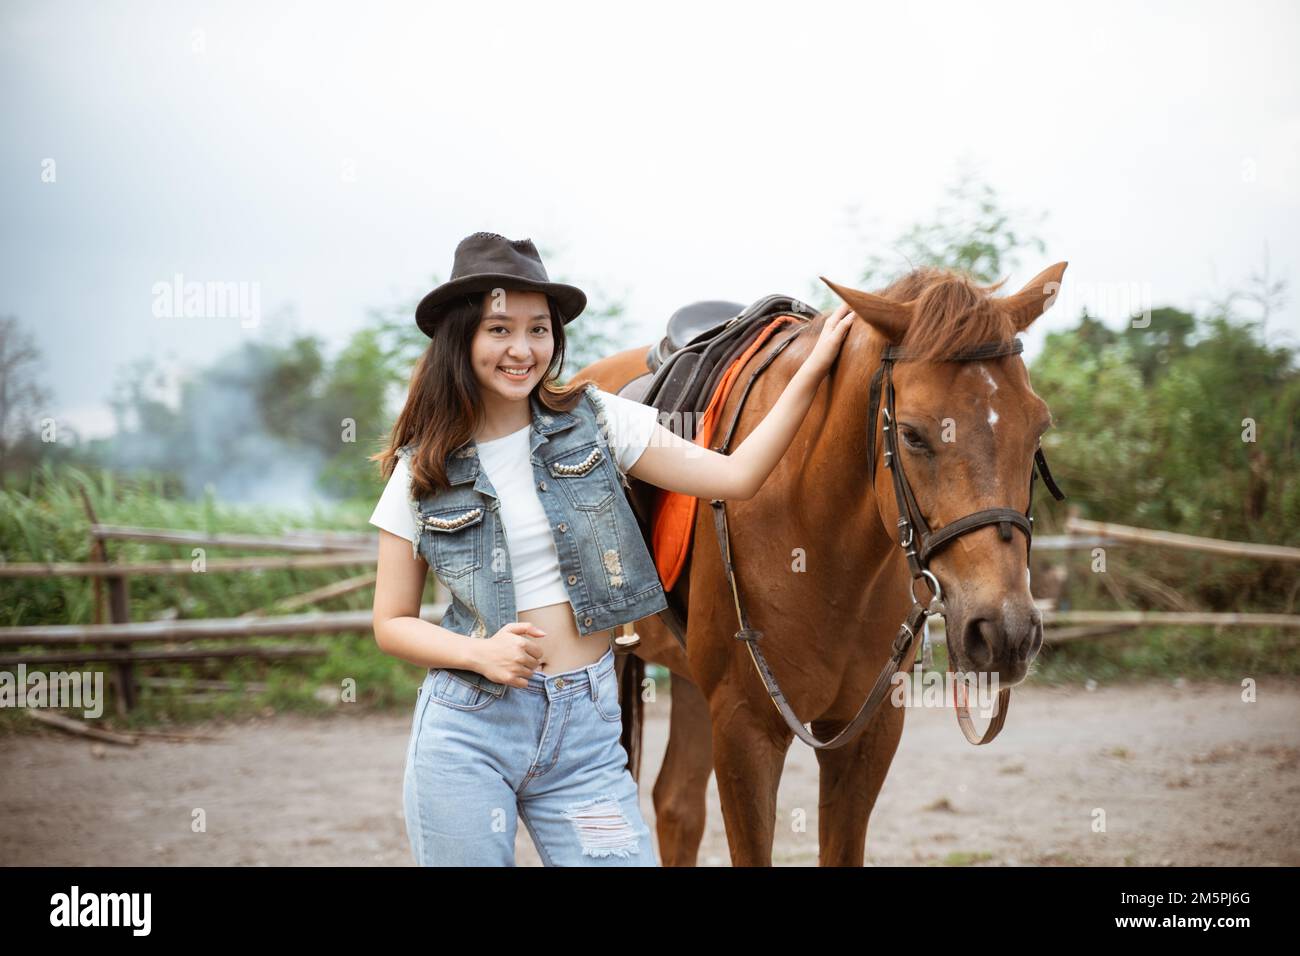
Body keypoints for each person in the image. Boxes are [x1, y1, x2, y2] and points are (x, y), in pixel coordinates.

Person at [369, 231, 853, 866]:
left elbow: (736, 476)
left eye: (538, 330)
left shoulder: (598, 419)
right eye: (500, 330)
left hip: (584, 735)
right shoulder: (422, 469)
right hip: (468, 730)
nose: (522, 349)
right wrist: (479, 654)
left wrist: (813, 370)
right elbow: (391, 623)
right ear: (461, 338)